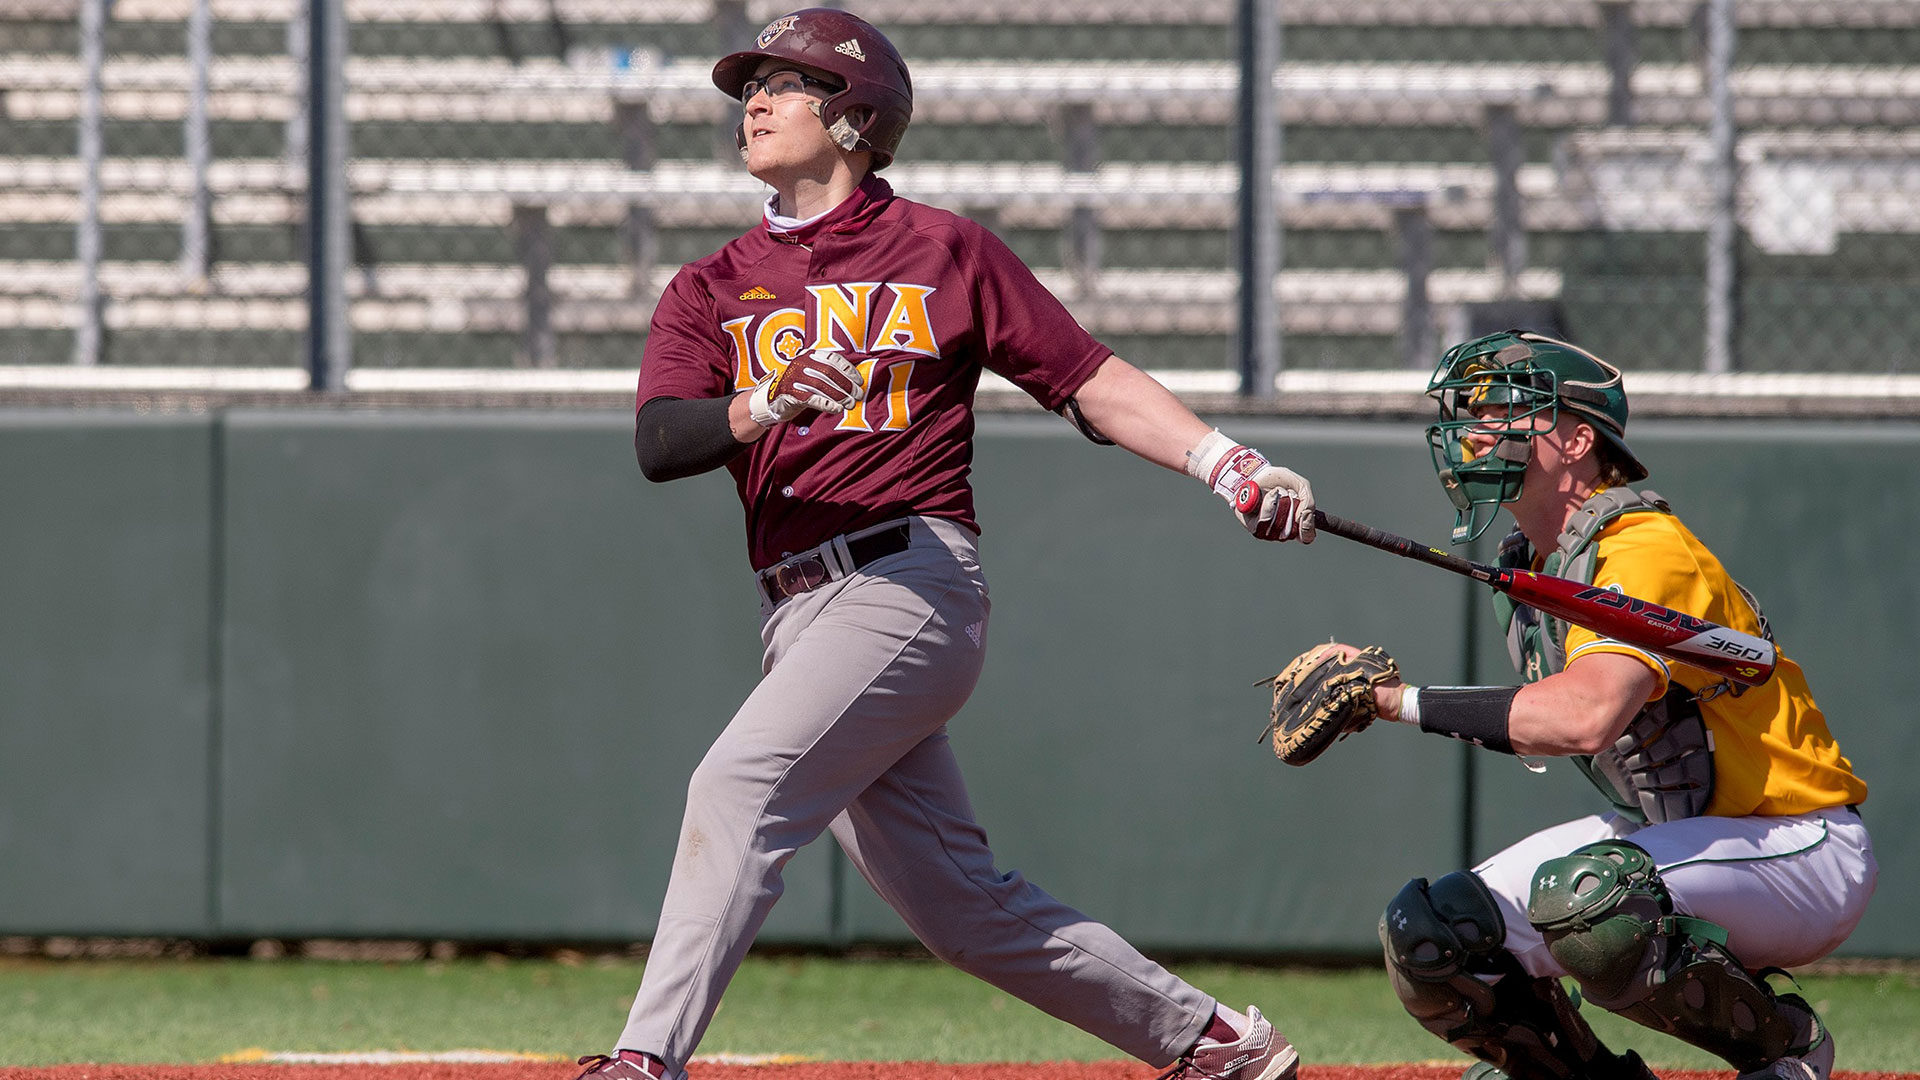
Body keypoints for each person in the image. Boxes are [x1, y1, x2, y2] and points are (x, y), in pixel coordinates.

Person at [575, 10, 1314, 1080]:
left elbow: (1087, 378)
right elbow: (658, 441)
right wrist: (758, 404)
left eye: (788, 81)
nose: (758, 99)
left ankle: (646, 1061)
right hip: (796, 608)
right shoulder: (709, 283)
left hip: (905, 579)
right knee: (959, 910)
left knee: (735, 787)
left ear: (857, 115)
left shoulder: (943, 248)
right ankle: (1211, 1043)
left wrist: (1225, 462)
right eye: (753, 82)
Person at [1335, 331, 1875, 1080]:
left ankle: (1783, 1049)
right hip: (1682, 839)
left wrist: (1396, 702)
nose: (1476, 429)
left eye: (1507, 410)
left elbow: (1583, 718)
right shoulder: (1535, 563)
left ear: (1578, 438)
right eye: (1470, 411)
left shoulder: (1642, 546)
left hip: (1795, 843)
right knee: (1434, 934)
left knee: (1591, 899)